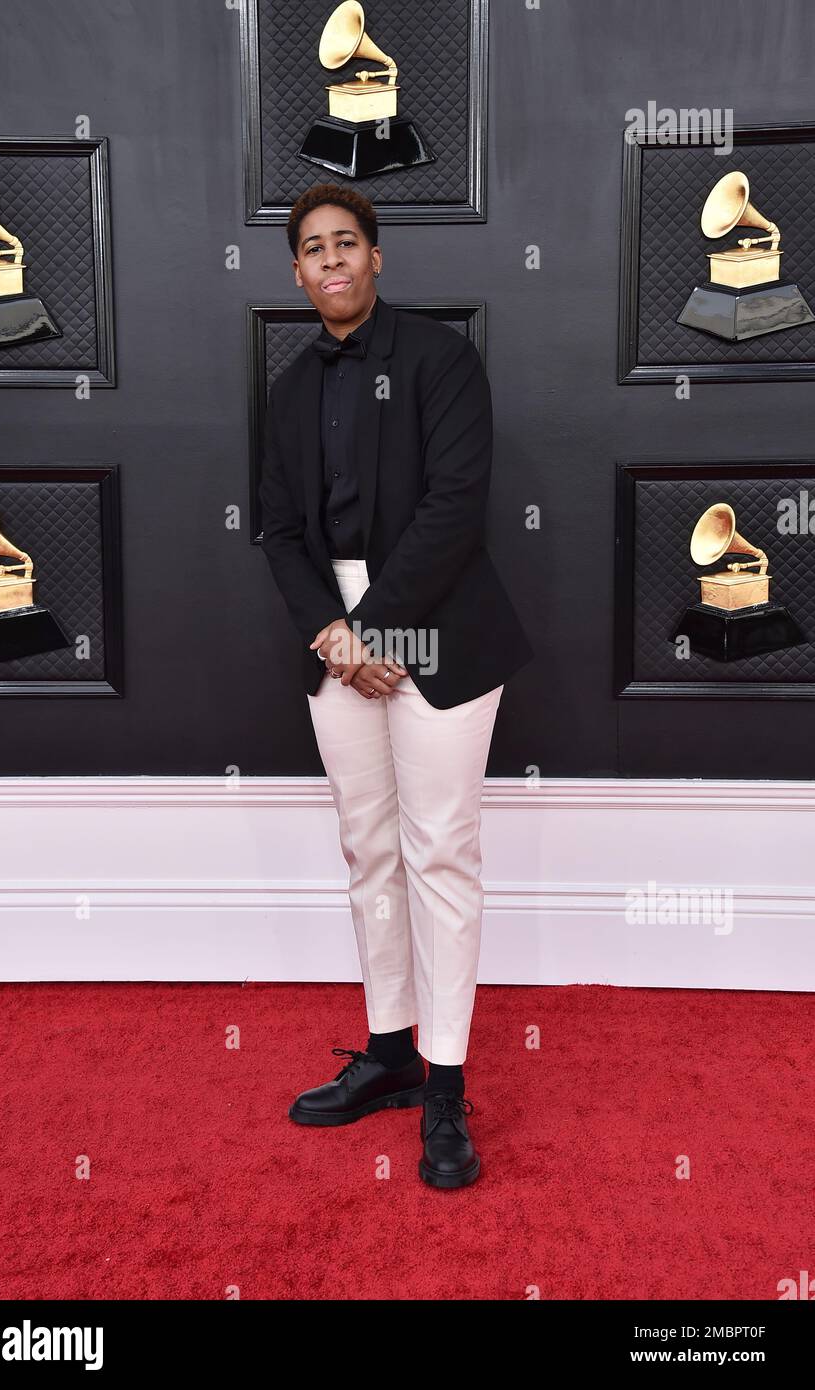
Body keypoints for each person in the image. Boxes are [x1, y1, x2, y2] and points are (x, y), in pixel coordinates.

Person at [260, 182, 533, 1188]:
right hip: (333, 633)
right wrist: (337, 638)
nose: (330, 258)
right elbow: (277, 531)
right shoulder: (288, 390)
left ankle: (447, 1090)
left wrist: (373, 629)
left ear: (375, 257)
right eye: (311, 248)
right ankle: (386, 1053)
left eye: (346, 242)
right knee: (366, 844)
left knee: (439, 851)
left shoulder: (441, 359)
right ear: (296, 273)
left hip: (441, 618)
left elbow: (457, 507)